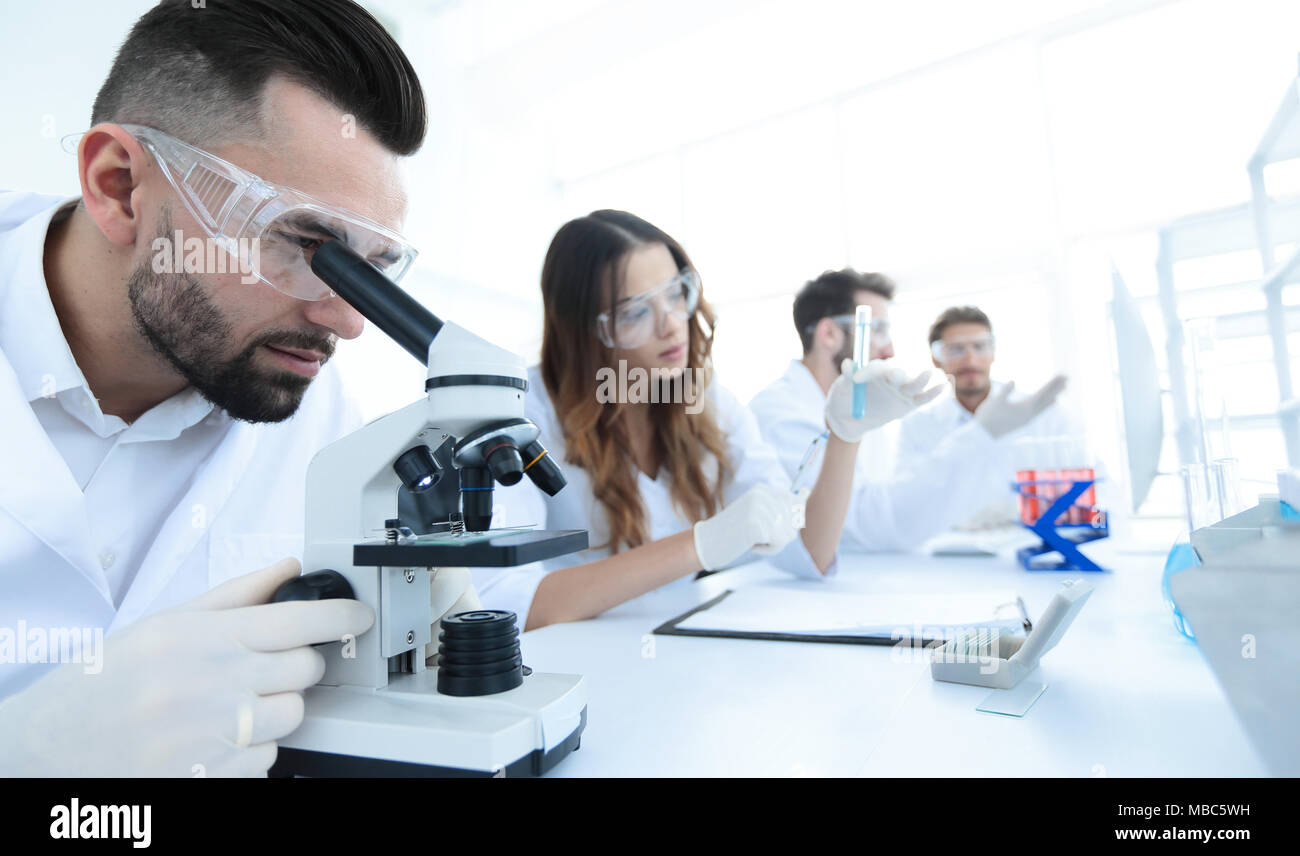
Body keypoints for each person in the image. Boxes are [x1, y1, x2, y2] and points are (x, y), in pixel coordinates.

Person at [0, 0, 427, 776]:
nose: (350, 320)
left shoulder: (317, 411)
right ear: (121, 186)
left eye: (372, 271)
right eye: (304, 242)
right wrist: (25, 754)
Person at [476, 212, 942, 628]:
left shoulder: (704, 399)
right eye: (636, 311)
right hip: (576, 667)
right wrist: (700, 545)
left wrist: (845, 437)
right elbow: (510, 603)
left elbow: (808, 552)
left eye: (676, 294)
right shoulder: (525, 410)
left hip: (681, 655)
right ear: (583, 330)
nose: (672, 324)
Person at [749, 271, 1066, 552]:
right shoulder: (782, 413)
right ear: (830, 334)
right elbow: (865, 525)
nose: (889, 350)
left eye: (980, 346)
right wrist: (980, 435)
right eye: (878, 331)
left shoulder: (853, 411)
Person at [896, 305, 1076, 529]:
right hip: (947, 550)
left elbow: (1095, 497)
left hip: (1030, 544)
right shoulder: (917, 426)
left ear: (993, 352)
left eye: (980, 346)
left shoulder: (1045, 414)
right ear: (936, 358)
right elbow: (906, 502)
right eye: (956, 349)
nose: (970, 359)